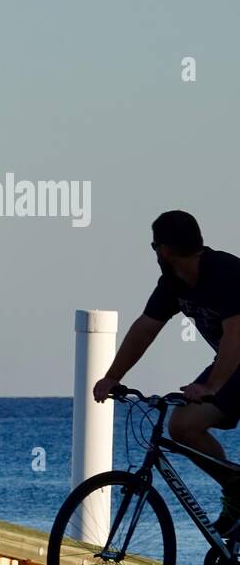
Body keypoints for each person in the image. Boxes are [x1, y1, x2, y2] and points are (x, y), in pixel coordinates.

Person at [94, 211, 240, 532]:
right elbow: (145, 328)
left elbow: (236, 333)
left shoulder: (223, 272)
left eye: (155, 246)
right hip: (233, 366)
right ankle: (236, 490)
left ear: (165, 250)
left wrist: (213, 385)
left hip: (234, 361)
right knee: (183, 426)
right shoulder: (174, 284)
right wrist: (112, 376)